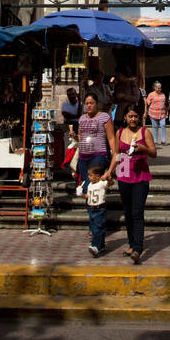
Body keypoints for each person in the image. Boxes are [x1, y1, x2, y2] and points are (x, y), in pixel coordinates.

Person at [116, 104, 156, 264]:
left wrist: (143, 148)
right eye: (130, 116)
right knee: (127, 212)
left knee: (137, 212)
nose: (133, 119)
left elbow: (154, 153)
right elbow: (116, 154)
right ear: (125, 117)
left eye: (135, 116)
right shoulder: (119, 132)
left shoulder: (145, 132)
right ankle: (131, 243)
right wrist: (110, 171)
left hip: (141, 177)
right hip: (123, 175)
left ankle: (138, 248)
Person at [75, 92, 116, 239]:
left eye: (91, 103)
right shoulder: (81, 118)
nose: (89, 105)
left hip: (98, 155)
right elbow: (80, 135)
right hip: (83, 157)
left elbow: (111, 137)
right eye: (86, 103)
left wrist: (114, 155)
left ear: (96, 104)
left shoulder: (104, 117)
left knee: (96, 189)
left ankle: (97, 226)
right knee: (87, 190)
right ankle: (93, 223)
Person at [84, 162, 110, 258]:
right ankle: (101, 246)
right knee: (94, 226)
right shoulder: (90, 185)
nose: (89, 177)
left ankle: (95, 246)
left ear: (98, 176)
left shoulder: (102, 183)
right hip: (91, 208)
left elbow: (110, 183)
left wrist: (108, 178)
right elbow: (88, 196)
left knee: (97, 228)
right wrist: (81, 194)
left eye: (91, 175)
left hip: (100, 208)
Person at [111, 61, 141, 128]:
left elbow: (136, 98)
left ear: (123, 74)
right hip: (119, 115)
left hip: (130, 114)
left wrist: (124, 96)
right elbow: (115, 100)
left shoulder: (132, 83)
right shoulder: (117, 85)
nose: (117, 77)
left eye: (119, 75)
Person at [145, 80, 167, 146]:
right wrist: (146, 111)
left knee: (163, 125)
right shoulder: (151, 94)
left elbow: (164, 104)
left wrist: (166, 111)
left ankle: (163, 140)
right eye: (158, 88)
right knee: (155, 127)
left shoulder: (163, 94)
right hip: (153, 113)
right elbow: (147, 103)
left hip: (162, 113)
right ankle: (155, 141)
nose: (160, 89)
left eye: (160, 88)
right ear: (155, 88)